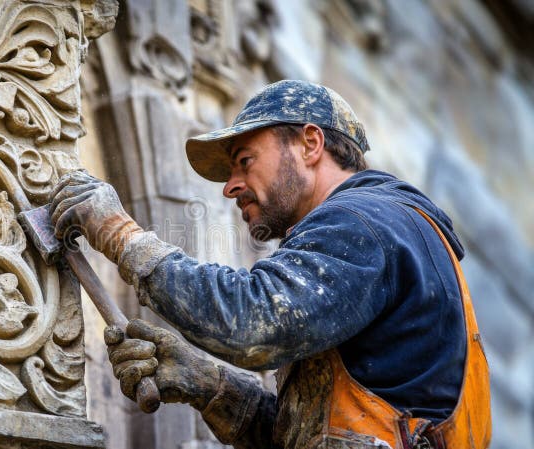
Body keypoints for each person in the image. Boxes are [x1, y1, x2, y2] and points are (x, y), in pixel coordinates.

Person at [48, 80, 491, 449]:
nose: (231, 187)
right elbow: (318, 436)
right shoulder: (385, 227)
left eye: (244, 162)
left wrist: (120, 235)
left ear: (310, 144)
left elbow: (252, 320)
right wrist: (213, 386)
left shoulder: (364, 222)